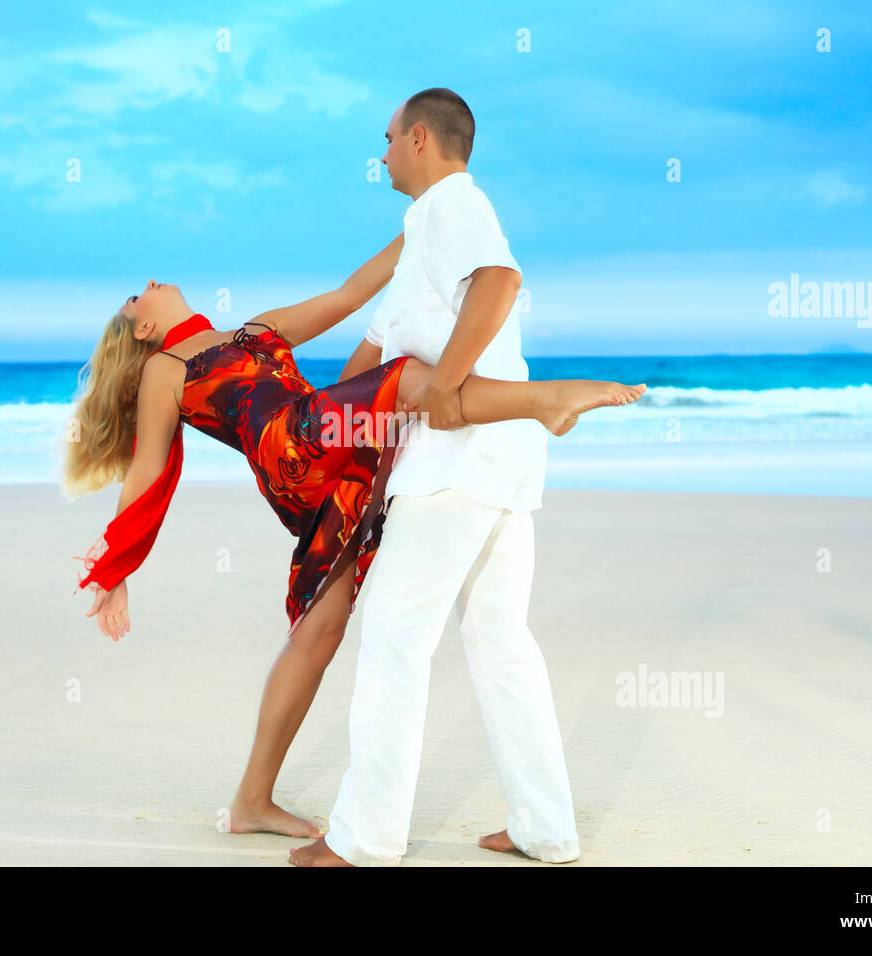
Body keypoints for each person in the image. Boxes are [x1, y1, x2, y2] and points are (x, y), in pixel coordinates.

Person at [62, 248, 646, 840]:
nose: (151, 282)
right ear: (144, 328)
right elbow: (149, 471)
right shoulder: (166, 367)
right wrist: (117, 566)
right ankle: (543, 403)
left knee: (321, 629)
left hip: (325, 452)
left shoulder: (255, 329)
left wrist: (413, 234)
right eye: (138, 295)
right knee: (408, 378)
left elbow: (345, 297)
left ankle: (250, 802)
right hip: (291, 445)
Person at [289, 89, 593, 866]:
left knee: (395, 638)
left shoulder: (451, 206)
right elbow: (376, 355)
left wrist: (452, 388)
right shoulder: (421, 239)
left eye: (388, 138)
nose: (382, 151)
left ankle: (366, 838)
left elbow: (500, 283)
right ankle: (546, 829)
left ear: (419, 139)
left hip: (455, 470)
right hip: (502, 466)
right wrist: (304, 427)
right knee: (500, 644)